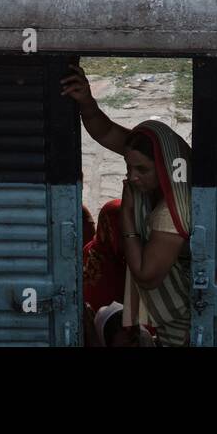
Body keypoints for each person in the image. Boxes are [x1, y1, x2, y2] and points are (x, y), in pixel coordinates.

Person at [62, 64, 192, 346]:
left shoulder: (172, 212)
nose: (131, 177)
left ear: (165, 167)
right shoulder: (162, 164)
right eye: (128, 166)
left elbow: (145, 276)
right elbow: (107, 132)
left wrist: (129, 219)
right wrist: (86, 101)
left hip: (181, 320)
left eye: (142, 170)